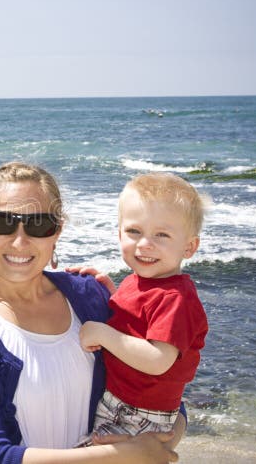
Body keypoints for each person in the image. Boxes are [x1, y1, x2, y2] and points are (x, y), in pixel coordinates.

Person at [0, 162, 185, 464]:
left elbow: (166, 394)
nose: (20, 241)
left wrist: (159, 446)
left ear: (57, 231)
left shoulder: (93, 295)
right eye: (2, 222)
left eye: (38, 225)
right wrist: (124, 455)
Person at [79, 172, 208, 440]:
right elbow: (138, 320)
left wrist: (102, 333)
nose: (145, 244)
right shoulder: (137, 280)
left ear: (189, 247)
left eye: (162, 235)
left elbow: (157, 360)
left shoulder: (176, 298)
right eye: (134, 231)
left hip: (140, 414)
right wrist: (109, 292)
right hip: (120, 402)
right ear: (119, 234)